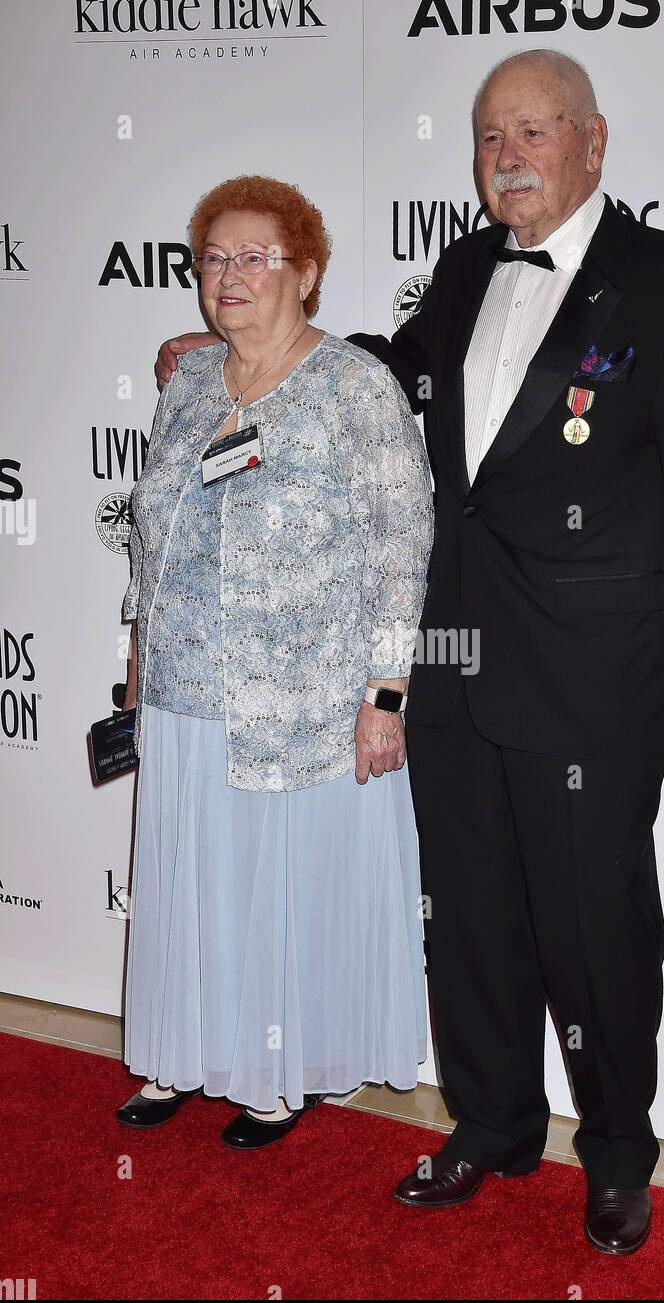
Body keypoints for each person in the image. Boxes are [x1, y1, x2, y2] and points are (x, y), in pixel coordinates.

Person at [155, 51, 664, 1250]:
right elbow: (403, 371)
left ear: (592, 141)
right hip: (453, 646)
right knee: (471, 907)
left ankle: (619, 1154)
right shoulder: (467, 263)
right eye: (490, 136)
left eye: (533, 131)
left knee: (591, 921)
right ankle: (489, 1122)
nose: (507, 156)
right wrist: (261, 335)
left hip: (594, 666)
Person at [119, 175, 433, 1151]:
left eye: (256, 256)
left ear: (305, 271)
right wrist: (135, 649)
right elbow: (153, 529)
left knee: (272, 885)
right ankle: (180, 1055)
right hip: (182, 688)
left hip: (297, 695)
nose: (231, 274)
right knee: (191, 880)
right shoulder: (187, 381)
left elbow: (400, 545)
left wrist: (386, 694)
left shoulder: (350, 385)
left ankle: (274, 1072)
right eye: (214, 256)